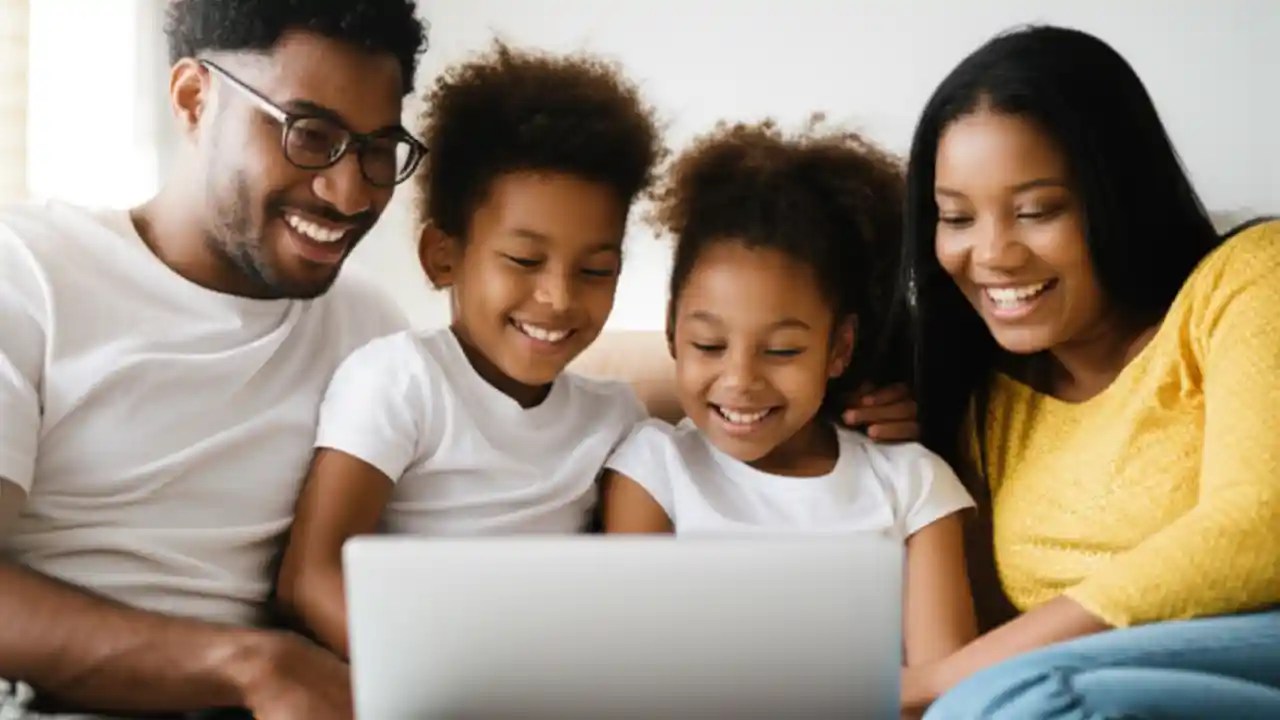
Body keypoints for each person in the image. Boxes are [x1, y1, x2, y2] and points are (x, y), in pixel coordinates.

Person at [0, 1, 427, 718]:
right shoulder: (30, 272)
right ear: (195, 99)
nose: (349, 191)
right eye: (309, 133)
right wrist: (249, 668)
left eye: (378, 150)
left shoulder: (371, 330)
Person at [890, 25, 1280, 718]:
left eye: (1037, 210)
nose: (992, 255)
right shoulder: (986, 405)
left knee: (1021, 697)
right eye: (955, 217)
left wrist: (937, 682)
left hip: (1252, 649)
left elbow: (1258, 529)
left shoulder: (1250, 278)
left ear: (1119, 194)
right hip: (1093, 697)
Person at [273, 43, 666, 660]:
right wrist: (433, 680)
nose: (558, 297)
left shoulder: (616, 419)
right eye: (524, 260)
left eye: (596, 269)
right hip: (425, 676)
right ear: (444, 257)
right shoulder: (402, 380)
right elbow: (308, 580)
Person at [601, 120, 978, 669]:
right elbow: (631, 666)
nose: (740, 380)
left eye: (781, 351)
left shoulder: (911, 482)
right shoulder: (653, 467)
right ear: (672, 334)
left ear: (839, 348)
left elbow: (946, 686)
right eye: (709, 344)